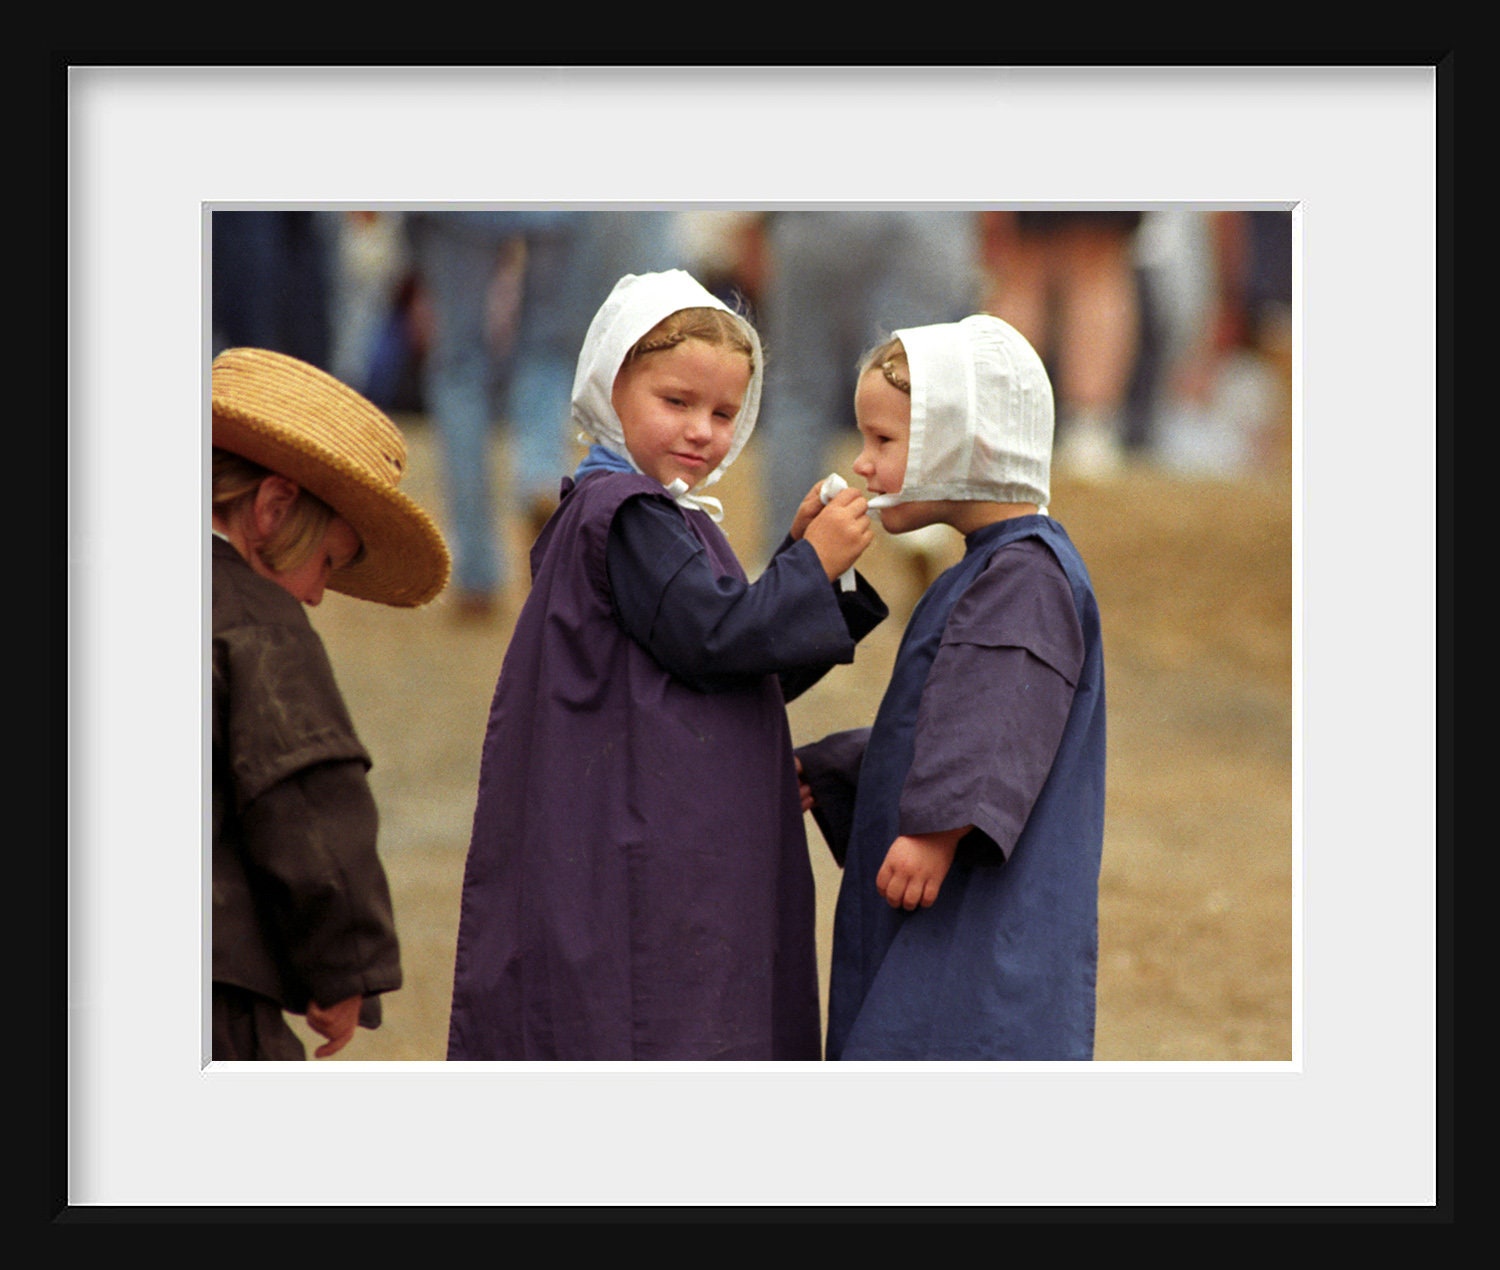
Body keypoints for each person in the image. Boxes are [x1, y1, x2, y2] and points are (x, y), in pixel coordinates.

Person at [446, 269, 888, 1060]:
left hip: (664, 822)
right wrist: (809, 569)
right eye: (675, 402)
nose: (702, 431)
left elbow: (729, 669)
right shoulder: (627, 515)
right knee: (654, 1018)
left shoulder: (658, 516)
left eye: (723, 413)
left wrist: (803, 564)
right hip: (641, 839)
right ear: (612, 384)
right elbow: (718, 638)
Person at [796, 314, 1107, 1060]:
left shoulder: (1024, 575)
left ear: (972, 442)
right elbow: (947, 716)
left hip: (977, 919)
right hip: (944, 900)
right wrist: (840, 769)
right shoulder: (994, 565)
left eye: (886, 441)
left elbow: (996, 722)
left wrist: (938, 830)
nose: (864, 465)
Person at [211, 346, 451, 1060]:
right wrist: (346, 965)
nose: (317, 593)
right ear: (274, 507)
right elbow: (307, 799)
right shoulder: (259, 625)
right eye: (327, 562)